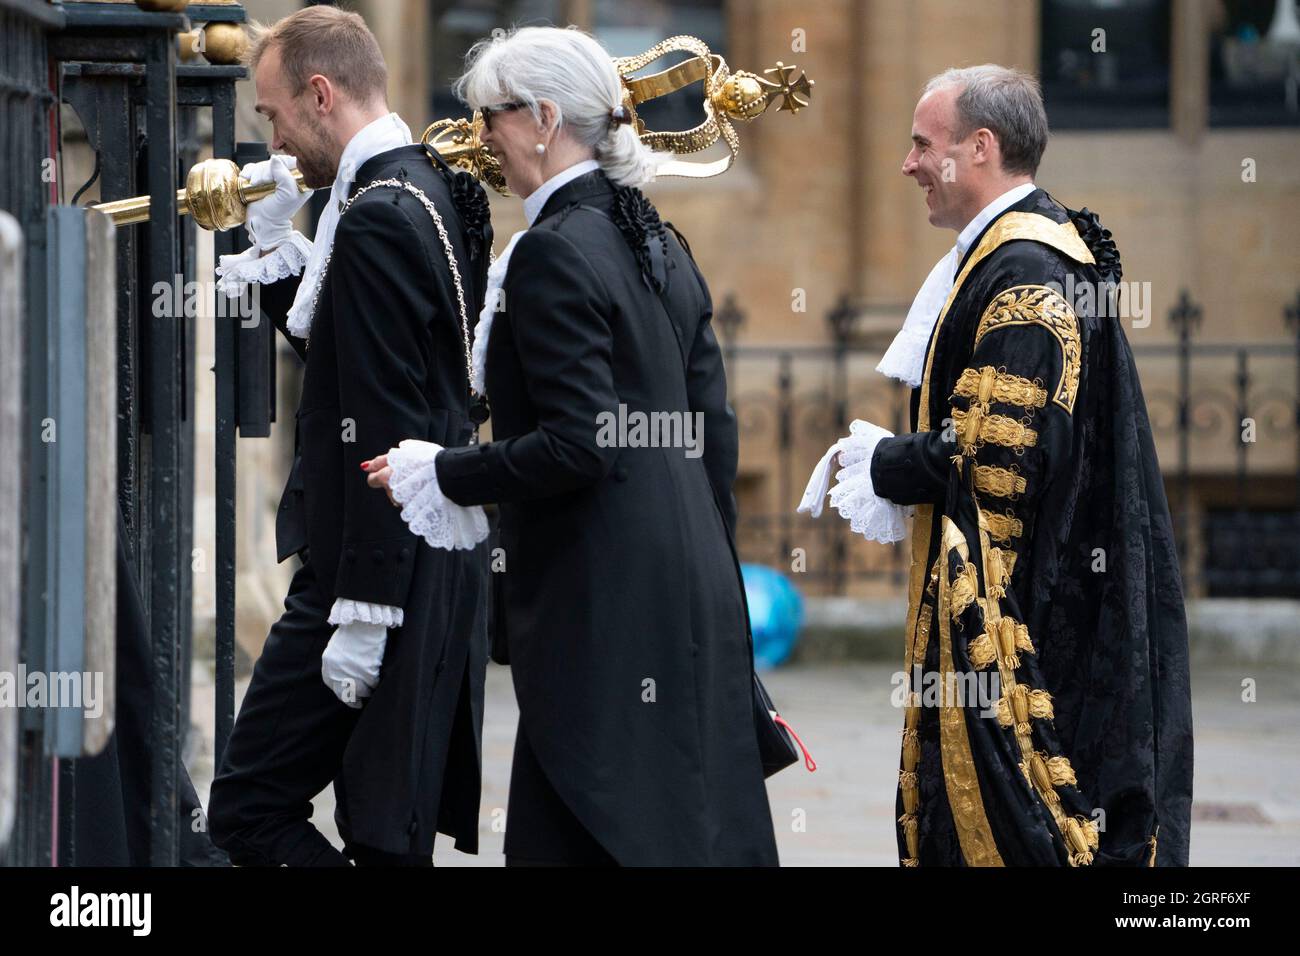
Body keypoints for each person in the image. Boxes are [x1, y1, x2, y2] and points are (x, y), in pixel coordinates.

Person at [364, 26, 779, 866]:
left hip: (604, 590)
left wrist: (445, 472)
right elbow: (714, 439)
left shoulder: (554, 251)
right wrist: (713, 574)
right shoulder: (660, 240)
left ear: (544, 117)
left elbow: (581, 443)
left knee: (603, 817)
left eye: (490, 116)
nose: (481, 136)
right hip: (689, 582)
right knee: (670, 817)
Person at [799, 65, 1193, 866]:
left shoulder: (1025, 270)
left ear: (978, 148)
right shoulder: (1022, 253)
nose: (908, 165)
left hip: (1035, 630)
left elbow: (998, 469)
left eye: (922, 144)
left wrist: (882, 460)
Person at [206, 5, 492, 866]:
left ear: (320, 93)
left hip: (365, 569)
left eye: (273, 115)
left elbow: (382, 417)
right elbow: (369, 355)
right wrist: (276, 248)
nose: (274, 142)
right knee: (385, 830)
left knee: (251, 810)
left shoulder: (371, 215)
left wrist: (363, 611)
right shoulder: (427, 183)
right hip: (423, 553)